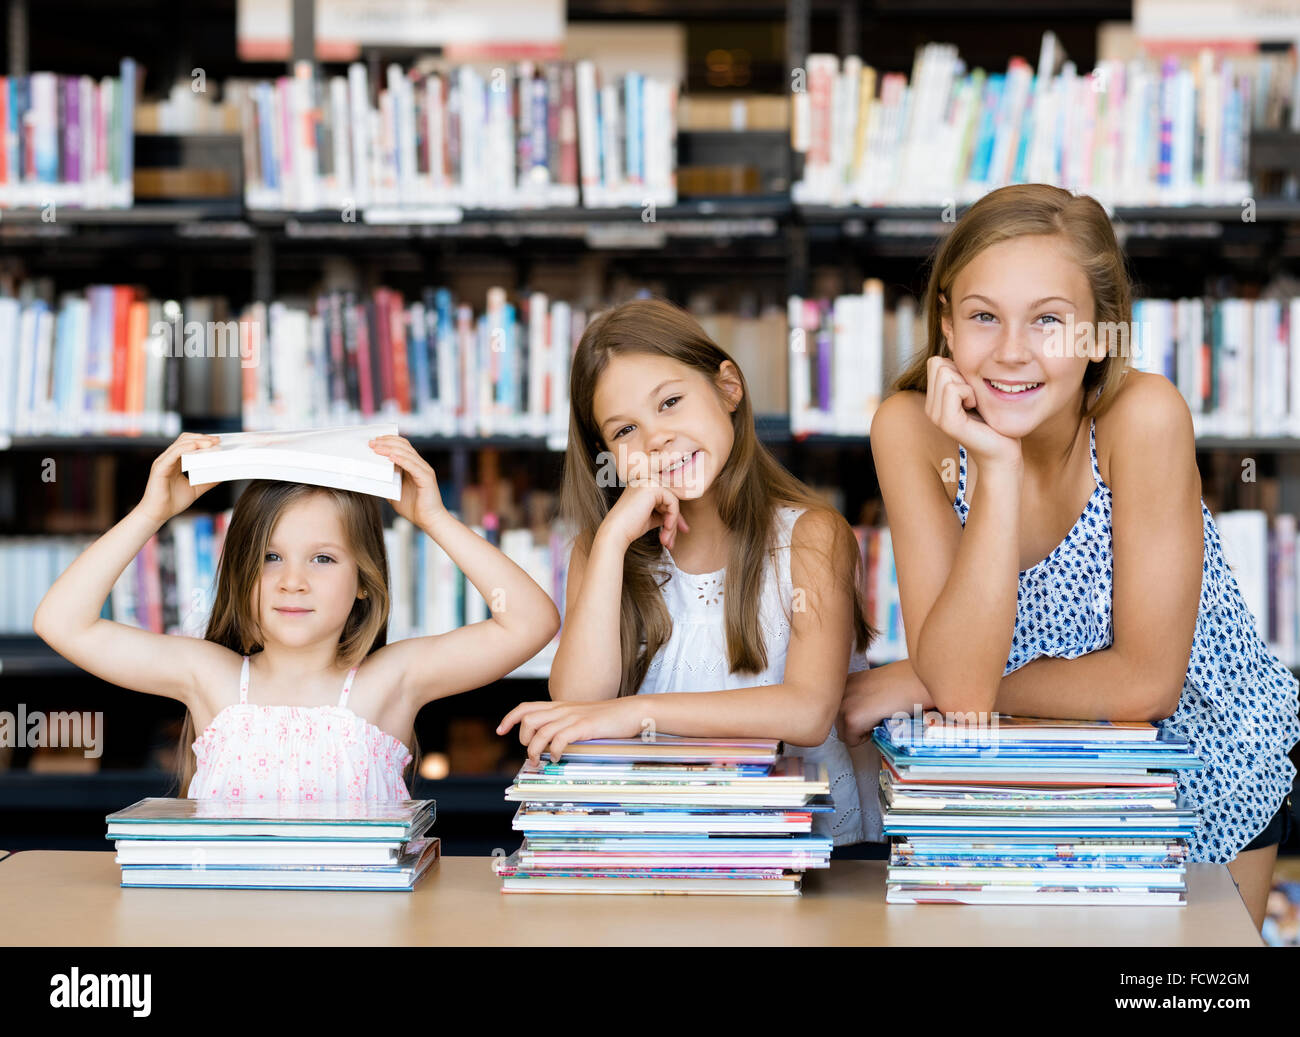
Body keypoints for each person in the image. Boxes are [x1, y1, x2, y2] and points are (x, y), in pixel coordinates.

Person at [838, 183, 1299, 928]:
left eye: (1049, 321)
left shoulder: (1142, 416)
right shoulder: (908, 428)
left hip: (1204, 772)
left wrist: (919, 680)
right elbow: (961, 685)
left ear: (1098, 334)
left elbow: (1145, 684)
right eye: (984, 316)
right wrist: (998, 468)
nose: (1013, 351)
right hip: (1038, 773)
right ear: (946, 324)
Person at [498, 298, 882, 849]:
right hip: (661, 843)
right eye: (625, 430)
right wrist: (609, 542)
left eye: (671, 402)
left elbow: (807, 712)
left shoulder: (810, 536)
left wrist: (637, 713)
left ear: (728, 388)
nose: (655, 439)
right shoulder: (606, 551)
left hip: (802, 849)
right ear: (604, 453)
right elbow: (578, 699)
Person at [34, 431, 560, 802]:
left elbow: (529, 622)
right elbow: (62, 622)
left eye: (324, 558)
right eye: (270, 556)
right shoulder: (210, 676)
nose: (293, 581)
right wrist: (153, 512)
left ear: (363, 582)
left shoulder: (390, 682)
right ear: (242, 574)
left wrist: (434, 517)